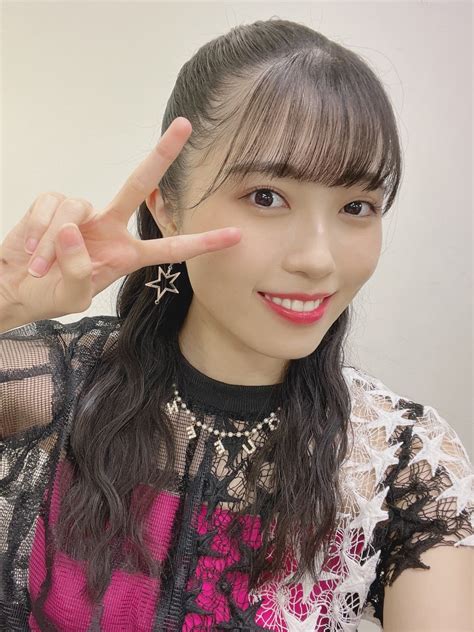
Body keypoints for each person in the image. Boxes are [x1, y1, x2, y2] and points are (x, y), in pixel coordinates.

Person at [0, 17, 472, 632]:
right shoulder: (40, 388)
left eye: (357, 207)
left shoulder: (402, 463)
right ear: (168, 208)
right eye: (267, 197)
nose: (318, 259)